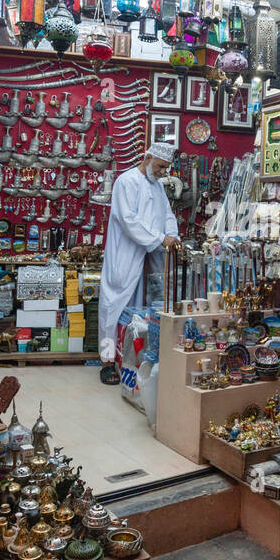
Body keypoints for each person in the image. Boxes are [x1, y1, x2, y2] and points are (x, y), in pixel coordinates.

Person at [97, 143, 180, 385]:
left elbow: (167, 215)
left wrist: (172, 236)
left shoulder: (157, 186)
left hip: (148, 255)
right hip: (124, 254)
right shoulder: (127, 181)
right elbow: (128, 219)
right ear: (147, 158)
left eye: (165, 168)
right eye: (160, 166)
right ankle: (107, 361)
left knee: (138, 310)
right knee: (113, 307)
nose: (163, 172)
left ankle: (132, 360)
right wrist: (159, 238)